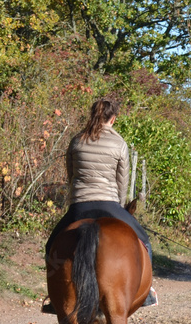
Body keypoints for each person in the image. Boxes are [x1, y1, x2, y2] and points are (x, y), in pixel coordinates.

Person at [44, 95, 157, 307]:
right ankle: (147, 291)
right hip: (109, 204)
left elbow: (71, 175)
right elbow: (122, 182)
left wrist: (78, 196)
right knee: (144, 241)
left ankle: (54, 295)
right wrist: (121, 206)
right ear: (113, 119)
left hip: (79, 205)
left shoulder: (76, 141)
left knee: (51, 244)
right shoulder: (119, 144)